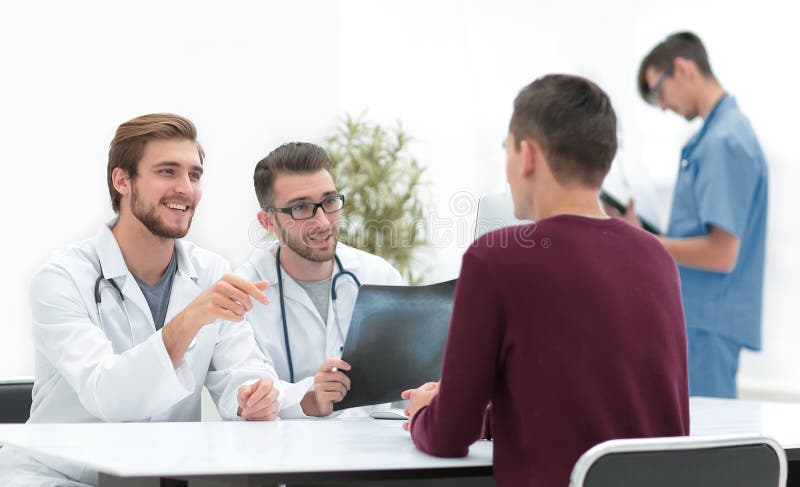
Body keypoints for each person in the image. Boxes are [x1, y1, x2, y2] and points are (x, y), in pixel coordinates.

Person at [403, 75, 689, 487]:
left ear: (528, 156)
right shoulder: (656, 258)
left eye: (506, 152)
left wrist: (425, 413)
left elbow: (449, 435)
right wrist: (492, 417)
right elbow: (593, 406)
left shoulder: (495, 259)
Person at [0, 114, 284, 487]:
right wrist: (189, 319)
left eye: (194, 175)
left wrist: (252, 395)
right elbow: (107, 394)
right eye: (168, 171)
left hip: (161, 476)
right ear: (122, 181)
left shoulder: (210, 271)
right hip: (60, 476)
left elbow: (241, 371)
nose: (186, 188)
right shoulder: (62, 278)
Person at [626, 32, 768, 398]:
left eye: (659, 91)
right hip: (702, 320)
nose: (662, 106)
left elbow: (722, 253)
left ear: (684, 69)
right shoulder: (717, 135)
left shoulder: (724, 141)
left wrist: (645, 242)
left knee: (704, 446)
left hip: (708, 326)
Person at [237, 142, 404, 417]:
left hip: (377, 453)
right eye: (301, 208)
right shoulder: (244, 292)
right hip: (284, 455)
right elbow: (245, 391)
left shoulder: (379, 276)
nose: (324, 222)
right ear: (267, 222)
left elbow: (409, 385)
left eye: (329, 202)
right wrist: (310, 396)